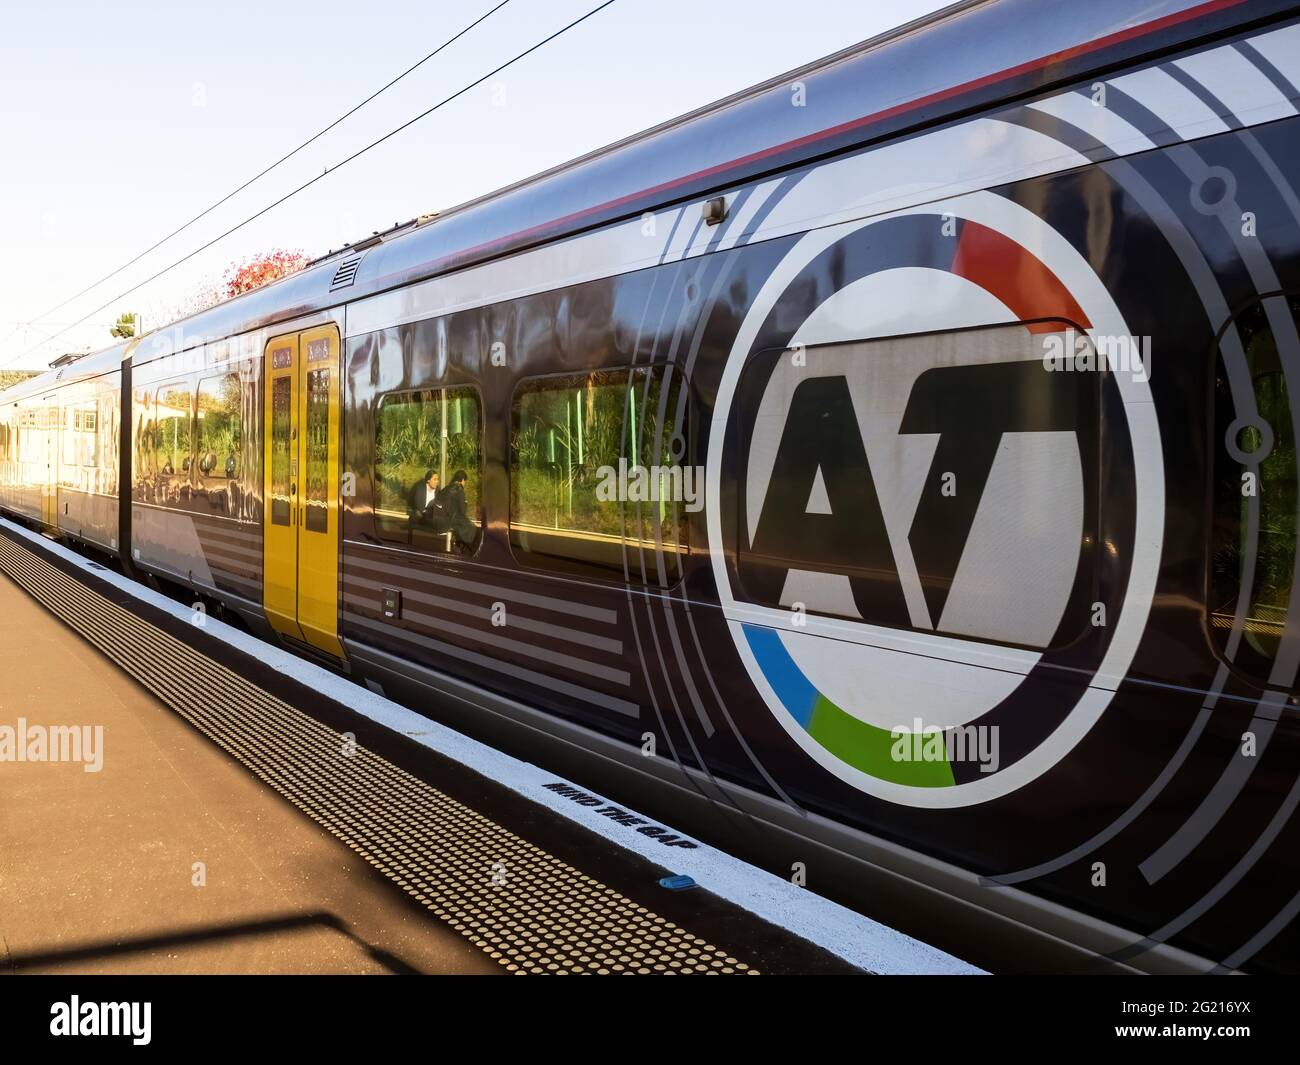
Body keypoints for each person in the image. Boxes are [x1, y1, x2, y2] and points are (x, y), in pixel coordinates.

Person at [440, 469, 479, 549]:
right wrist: (465, 503)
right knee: (472, 528)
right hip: (452, 520)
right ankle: (460, 545)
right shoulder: (459, 490)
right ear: (462, 480)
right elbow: (462, 510)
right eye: (465, 481)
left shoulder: (447, 488)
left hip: (442, 517)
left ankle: (458, 543)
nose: (464, 484)